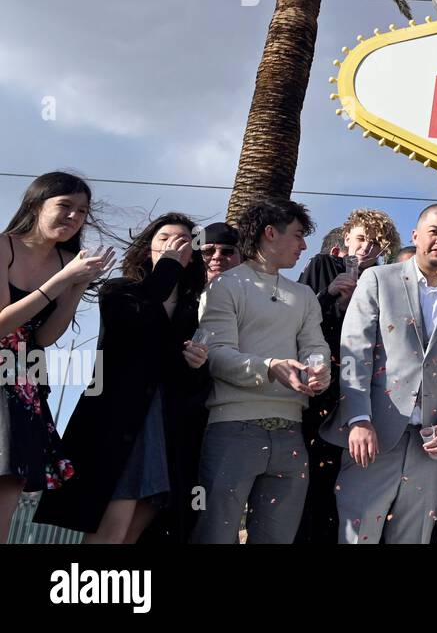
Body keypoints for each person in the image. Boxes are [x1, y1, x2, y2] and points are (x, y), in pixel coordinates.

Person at [35, 212, 210, 543]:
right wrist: (168, 267)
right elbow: (133, 328)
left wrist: (196, 363)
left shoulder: (193, 308)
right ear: (147, 249)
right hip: (119, 419)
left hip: (166, 423)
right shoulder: (120, 291)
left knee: (140, 518)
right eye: (165, 239)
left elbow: (182, 375)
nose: (174, 245)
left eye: (184, 241)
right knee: (113, 518)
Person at [323, 203, 437, 544]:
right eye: (434, 231)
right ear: (416, 235)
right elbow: (355, 351)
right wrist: (358, 418)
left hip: (431, 443)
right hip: (374, 434)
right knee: (358, 535)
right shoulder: (379, 279)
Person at [191, 198, 330, 544]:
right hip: (232, 429)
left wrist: (319, 369)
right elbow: (216, 355)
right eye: (297, 235)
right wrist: (269, 367)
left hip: (292, 432)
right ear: (270, 233)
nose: (303, 245)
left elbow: (315, 346)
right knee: (214, 535)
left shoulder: (304, 295)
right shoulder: (224, 286)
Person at [0, 171, 115, 542]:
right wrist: (61, 281)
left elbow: (45, 336)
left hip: (25, 385)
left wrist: (77, 287)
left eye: (82, 211)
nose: (74, 216)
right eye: (65, 205)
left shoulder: (68, 260)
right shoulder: (4, 246)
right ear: (36, 204)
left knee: (11, 481)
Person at [295, 207, 400, 544]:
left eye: (376, 243)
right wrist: (330, 296)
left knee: (340, 478)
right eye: (361, 238)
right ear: (347, 238)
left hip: (361, 389)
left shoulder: (385, 280)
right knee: (308, 472)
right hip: (319, 385)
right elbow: (297, 317)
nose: (366, 247)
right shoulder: (323, 265)